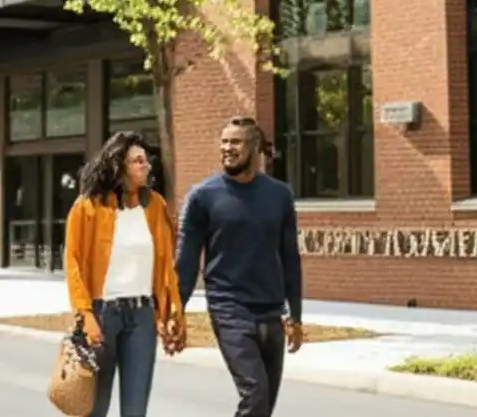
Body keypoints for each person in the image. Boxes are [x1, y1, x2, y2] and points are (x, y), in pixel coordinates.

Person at [174, 116, 303, 417]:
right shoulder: (202, 196)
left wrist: (295, 315)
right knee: (255, 393)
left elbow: (290, 258)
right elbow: (187, 261)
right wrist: (174, 311)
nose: (227, 148)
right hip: (228, 308)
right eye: (224, 141)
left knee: (264, 404)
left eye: (236, 142)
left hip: (271, 311)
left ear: (255, 147)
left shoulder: (280, 195)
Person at [64, 131, 187, 417]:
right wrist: (85, 315)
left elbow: (166, 265)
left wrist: (171, 312)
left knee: (135, 410)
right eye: (137, 161)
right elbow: (73, 264)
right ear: (118, 166)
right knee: (94, 408)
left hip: (142, 316)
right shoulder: (88, 207)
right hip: (103, 314)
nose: (145, 166)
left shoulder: (156, 206)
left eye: (146, 160)